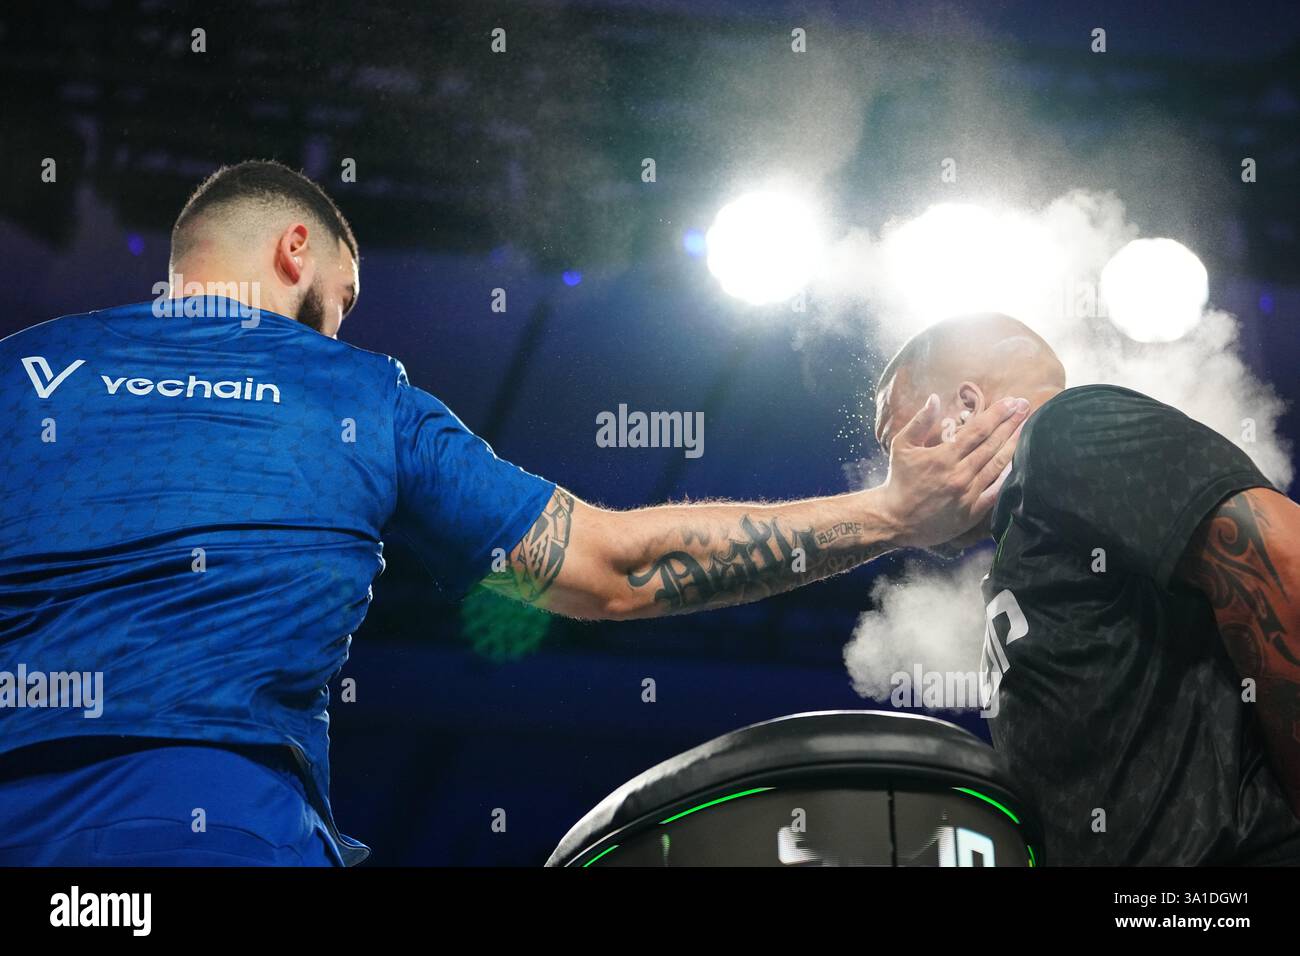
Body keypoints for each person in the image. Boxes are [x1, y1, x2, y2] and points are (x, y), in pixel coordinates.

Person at [0, 160, 1026, 865]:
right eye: (343, 294)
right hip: (220, 828)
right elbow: (616, 568)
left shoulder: (23, 373)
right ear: (295, 249)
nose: (342, 319)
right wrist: (895, 511)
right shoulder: (359, 393)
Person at [874, 312, 1300, 864]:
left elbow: (1284, 563)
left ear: (968, 407)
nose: (892, 468)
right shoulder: (1025, 531)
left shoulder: (1061, 429)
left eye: (897, 436)